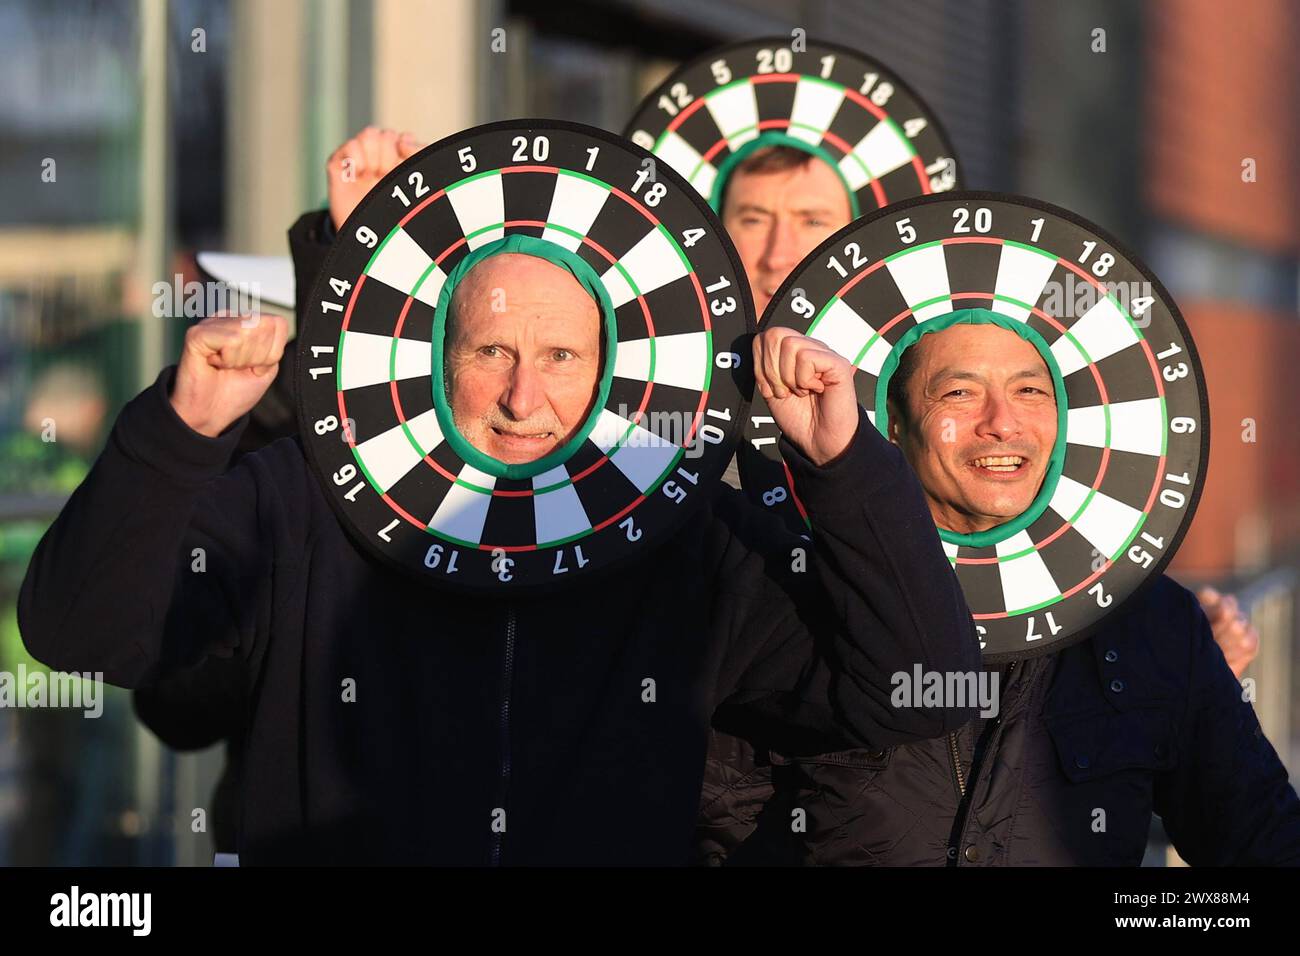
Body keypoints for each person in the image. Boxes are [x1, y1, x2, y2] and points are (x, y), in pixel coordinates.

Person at [15, 135, 983, 862]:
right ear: (441, 355)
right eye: (492, 352)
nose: (525, 397)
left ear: (613, 363)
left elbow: (912, 687)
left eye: (561, 355)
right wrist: (176, 434)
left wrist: (847, 463)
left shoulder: (690, 537)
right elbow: (80, 635)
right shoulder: (297, 498)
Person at [703, 310, 1300, 866]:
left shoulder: (1151, 621)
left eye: (1030, 390)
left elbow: (1263, 842)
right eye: (959, 392)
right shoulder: (785, 601)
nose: (1002, 424)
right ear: (891, 422)